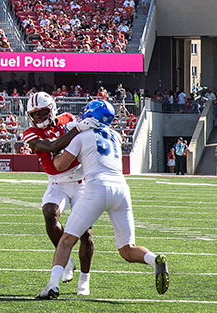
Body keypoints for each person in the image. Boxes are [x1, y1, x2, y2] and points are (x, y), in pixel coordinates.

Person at [37, 99, 168, 299]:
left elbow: (61, 165)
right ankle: (153, 259)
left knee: (66, 241)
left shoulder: (82, 136)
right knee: (127, 249)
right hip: (122, 190)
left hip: (96, 188)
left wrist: (58, 150)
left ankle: (52, 285)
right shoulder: (115, 136)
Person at [21, 91, 95, 295]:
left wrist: (78, 129)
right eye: (34, 115)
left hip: (80, 181)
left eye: (41, 113)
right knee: (49, 213)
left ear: (52, 109)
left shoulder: (68, 119)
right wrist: (76, 130)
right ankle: (66, 260)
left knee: (86, 233)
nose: (38, 119)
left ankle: (84, 281)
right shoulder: (30, 133)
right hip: (57, 183)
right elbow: (53, 146)